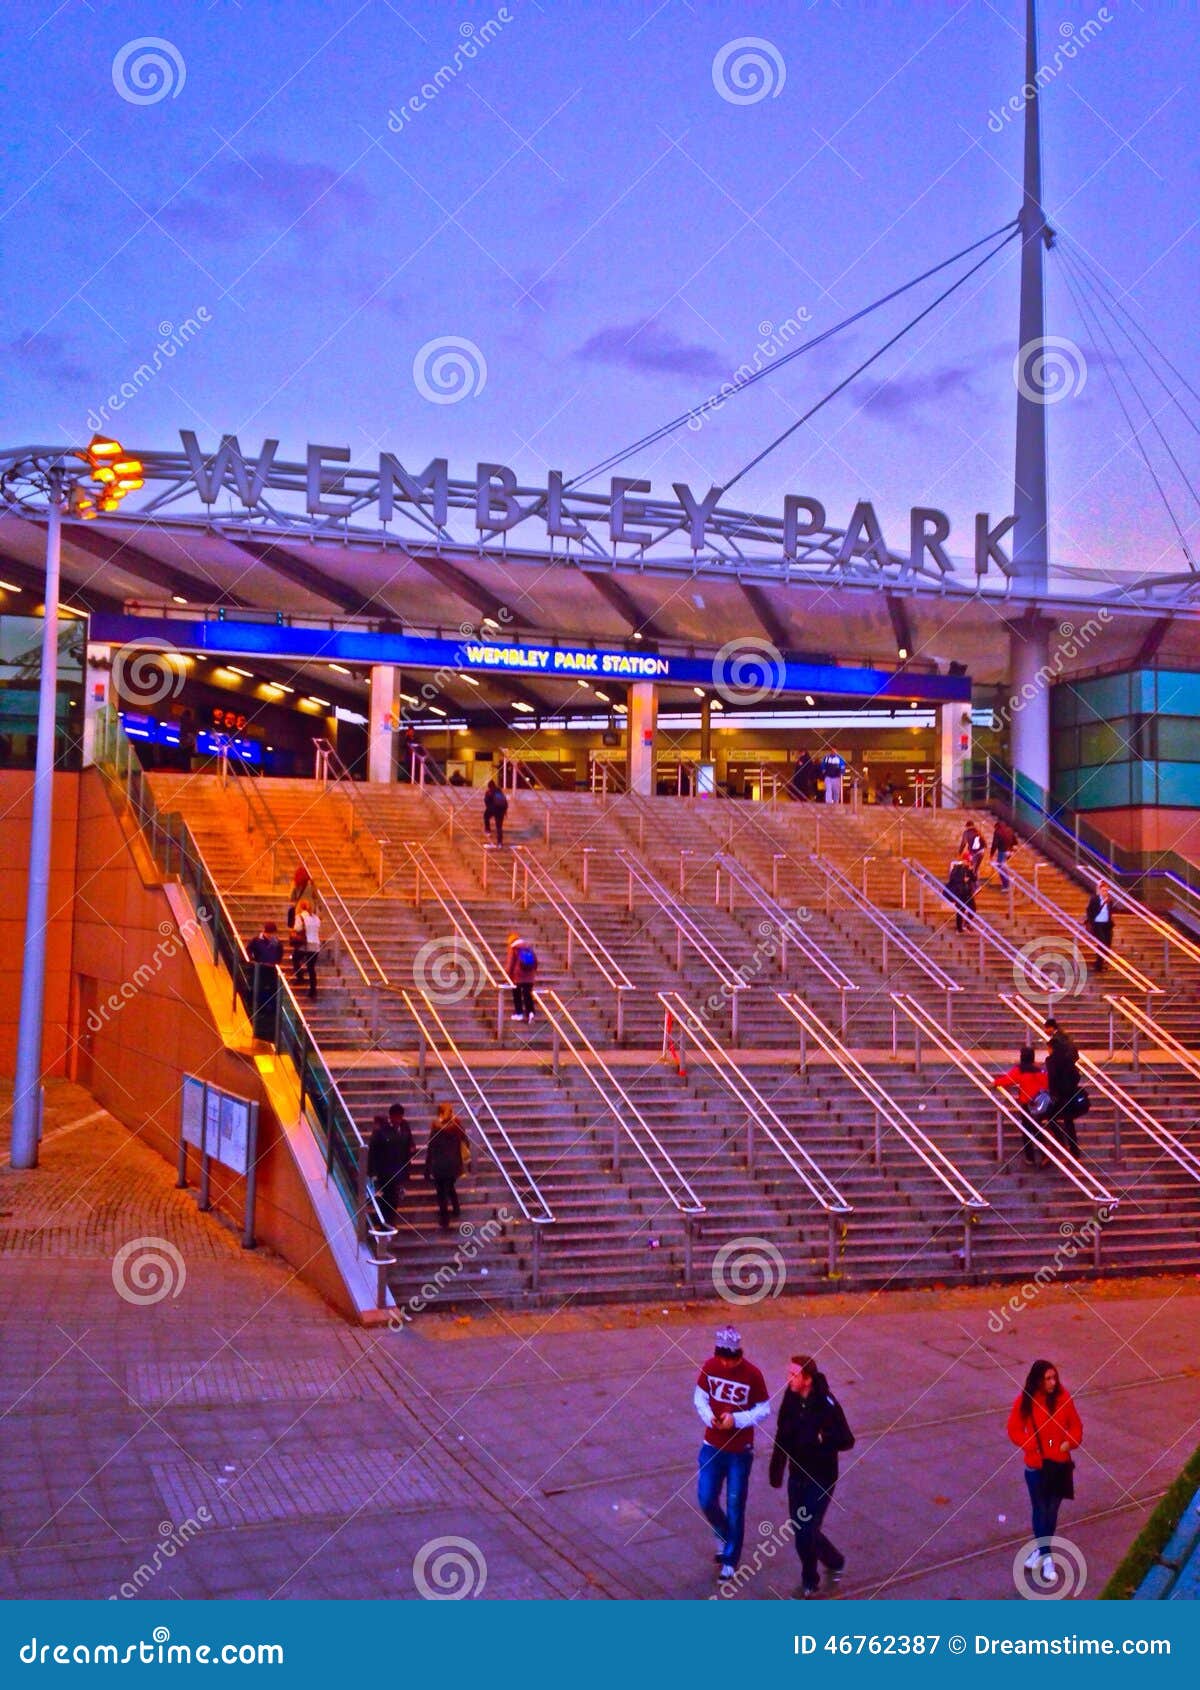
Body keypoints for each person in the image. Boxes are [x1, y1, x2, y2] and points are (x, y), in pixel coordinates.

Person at [768, 1354, 855, 1599]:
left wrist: (822, 1438)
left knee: (806, 1531)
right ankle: (834, 1560)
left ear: (807, 1380)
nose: (789, 1379)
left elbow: (847, 1439)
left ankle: (810, 1581)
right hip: (797, 1476)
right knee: (801, 1529)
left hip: (821, 1478)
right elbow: (782, 1434)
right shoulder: (790, 1397)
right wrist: (777, 1470)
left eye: (794, 1375)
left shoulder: (827, 1404)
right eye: (789, 1374)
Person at [694, 1324, 770, 1581]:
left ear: (739, 1355)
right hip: (712, 1444)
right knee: (706, 1498)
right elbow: (699, 1398)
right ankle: (725, 1534)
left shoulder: (752, 1374)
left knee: (735, 1504)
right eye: (722, 1359)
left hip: (739, 1450)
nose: (725, 1364)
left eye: (730, 1359)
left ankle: (730, 1558)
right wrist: (710, 1418)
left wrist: (735, 1420)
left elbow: (764, 1409)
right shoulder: (710, 1366)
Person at [1006, 1358, 1083, 1588]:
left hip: (1059, 1464)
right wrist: (1030, 1445)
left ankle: (1039, 1552)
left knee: (1052, 1511)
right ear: (1038, 1380)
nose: (1052, 1382)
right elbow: (1013, 1428)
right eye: (1047, 1378)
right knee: (1041, 1510)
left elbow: (1076, 1425)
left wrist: (1069, 1443)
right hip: (1037, 1466)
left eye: (1054, 1377)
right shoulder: (1026, 1401)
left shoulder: (1063, 1397)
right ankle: (1047, 1558)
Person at [993, 1045, 1049, 1166]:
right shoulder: (1039, 1070)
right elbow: (1047, 1084)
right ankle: (1045, 1154)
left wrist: (995, 1083)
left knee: (1027, 1131)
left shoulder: (1020, 1069)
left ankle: (1030, 1158)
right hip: (1041, 1103)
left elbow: (1007, 1080)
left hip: (1027, 1104)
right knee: (1037, 1128)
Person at [367, 1105, 414, 1228]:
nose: (398, 1119)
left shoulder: (404, 1127)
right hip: (385, 1170)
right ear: (391, 1117)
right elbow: (374, 1150)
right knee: (387, 1197)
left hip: (399, 1168)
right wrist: (372, 1171)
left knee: (394, 1197)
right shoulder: (383, 1130)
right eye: (396, 1117)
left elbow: (409, 1143)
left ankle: (389, 1220)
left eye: (400, 1116)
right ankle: (386, 1222)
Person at [424, 1102, 469, 1229]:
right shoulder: (458, 1126)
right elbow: (466, 1143)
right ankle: (455, 1208)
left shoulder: (436, 1127)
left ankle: (445, 1217)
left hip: (439, 1164)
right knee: (449, 1186)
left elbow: (431, 1148)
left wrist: (427, 1168)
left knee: (441, 1191)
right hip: (454, 1164)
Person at [1044, 1018, 1084, 1159]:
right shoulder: (1067, 1060)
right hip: (1070, 1094)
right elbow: (1076, 1076)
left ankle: (1062, 1144)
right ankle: (1074, 1152)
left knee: (1051, 1117)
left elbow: (1052, 1079)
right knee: (1068, 1122)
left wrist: (1054, 1093)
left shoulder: (1051, 1061)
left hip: (1059, 1096)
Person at [246, 920, 284, 1041]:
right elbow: (249, 949)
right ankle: (257, 1008)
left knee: (272, 990)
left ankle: (269, 1010)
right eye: (270, 933)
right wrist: (253, 960)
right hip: (260, 968)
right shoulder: (257, 940)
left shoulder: (276, 942)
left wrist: (276, 962)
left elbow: (280, 952)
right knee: (259, 988)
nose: (271, 936)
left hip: (271, 968)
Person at [291, 900, 321, 999]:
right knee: (311, 967)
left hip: (304, 944)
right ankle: (313, 990)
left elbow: (297, 928)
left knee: (295, 958)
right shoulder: (316, 918)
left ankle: (300, 977)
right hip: (315, 944)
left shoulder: (299, 916)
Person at [506, 930, 537, 1022]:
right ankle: (530, 1012)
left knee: (517, 995)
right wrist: (532, 973)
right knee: (528, 995)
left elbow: (510, 964)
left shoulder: (514, 948)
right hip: (530, 977)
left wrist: (508, 975)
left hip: (518, 977)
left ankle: (519, 1013)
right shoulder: (528, 947)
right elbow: (535, 962)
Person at [1085, 881, 1116, 972]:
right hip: (1097, 924)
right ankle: (1098, 965)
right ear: (1099, 891)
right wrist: (1091, 922)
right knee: (1102, 943)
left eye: (1106, 891)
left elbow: (1110, 912)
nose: (1105, 892)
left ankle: (1101, 963)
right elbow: (1089, 911)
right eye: (1103, 890)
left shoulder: (1109, 901)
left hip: (1106, 925)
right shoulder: (1095, 899)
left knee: (1107, 945)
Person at [945, 851, 977, 933]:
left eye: (970, 861)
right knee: (960, 910)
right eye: (967, 861)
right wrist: (962, 880)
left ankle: (967, 923)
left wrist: (971, 871)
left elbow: (974, 879)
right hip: (959, 892)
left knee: (973, 908)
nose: (969, 863)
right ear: (964, 860)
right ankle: (959, 928)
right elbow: (952, 878)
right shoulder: (957, 868)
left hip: (967, 892)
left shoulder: (969, 869)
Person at [990, 817, 1018, 891]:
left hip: (1002, 851)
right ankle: (1008, 882)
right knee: (1004, 866)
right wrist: (1013, 850)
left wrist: (991, 854)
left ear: (997, 826)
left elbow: (994, 844)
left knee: (1001, 868)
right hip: (1010, 851)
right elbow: (1015, 841)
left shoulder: (997, 831)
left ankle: (1006, 885)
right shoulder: (1010, 829)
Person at [483, 779, 509, 848]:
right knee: (499, 827)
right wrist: (505, 811)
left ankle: (488, 830)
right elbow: (505, 802)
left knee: (486, 816)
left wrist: (489, 808)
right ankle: (500, 843)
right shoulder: (499, 791)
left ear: (489, 786)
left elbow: (486, 801)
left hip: (493, 809)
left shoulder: (489, 792)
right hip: (501, 811)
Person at [286, 863, 311, 930]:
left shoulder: (295, 883)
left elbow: (291, 897)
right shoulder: (311, 884)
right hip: (310, 908)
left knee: (298, 927)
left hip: (300, 908)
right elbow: (316, 897)